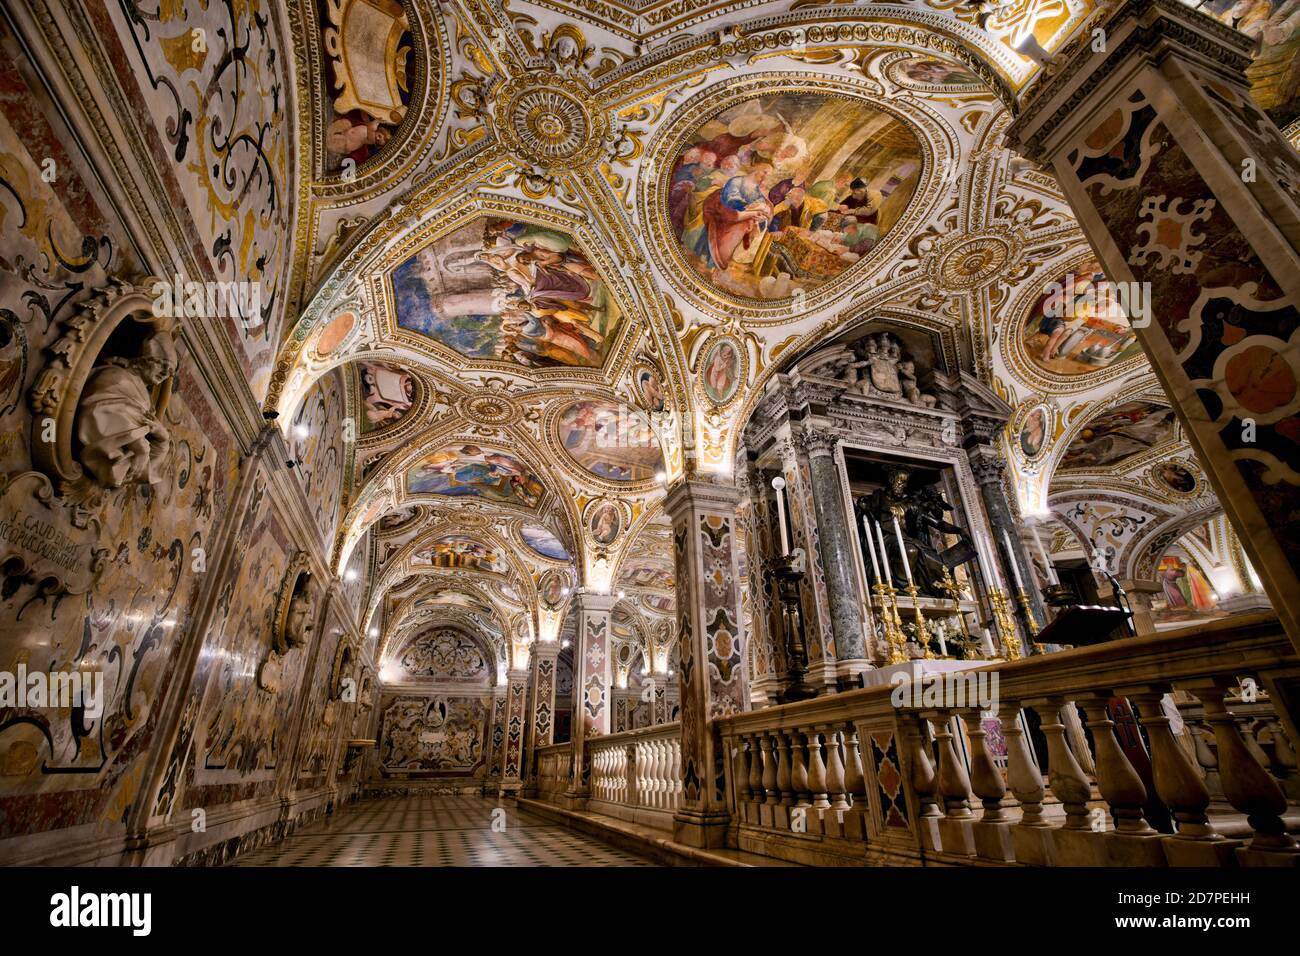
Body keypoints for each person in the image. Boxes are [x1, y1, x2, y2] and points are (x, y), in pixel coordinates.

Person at [76, 328, 179, 488]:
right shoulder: (115, 376)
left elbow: (144, 471)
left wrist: (163, 438)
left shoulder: (147, 402)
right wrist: (138, 445)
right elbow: (96, 410)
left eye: (170, 371)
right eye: (162, 364)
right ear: (143, 360)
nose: (165, 373)